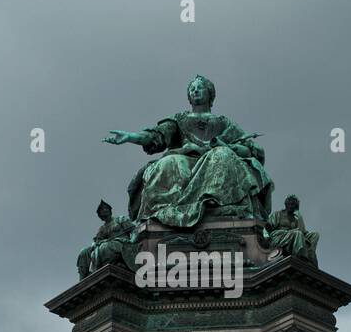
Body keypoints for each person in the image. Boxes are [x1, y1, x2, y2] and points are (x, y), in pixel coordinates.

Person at [104, 75, 273, 228]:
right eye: (192, 89)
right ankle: (164, 213)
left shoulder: (223, 123)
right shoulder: (180, 119)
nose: (195, 91)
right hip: (186, 157)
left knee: (222, 155)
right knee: (166, 164)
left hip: (214, 157)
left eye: (200, 87)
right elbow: (157, 135)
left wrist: (227, 146)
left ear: (210, 94)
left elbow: (250, 149)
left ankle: (214, 203)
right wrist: (131, 137)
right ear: (189, 98)